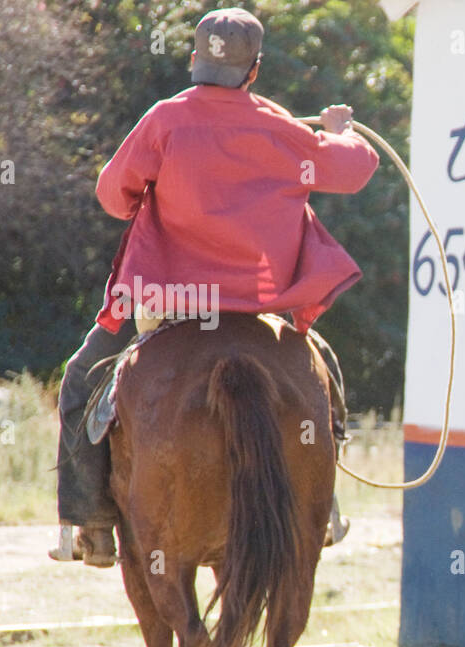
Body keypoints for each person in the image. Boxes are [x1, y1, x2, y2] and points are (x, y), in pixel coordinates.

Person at [51, 6, 377, 566]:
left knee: (81, 382)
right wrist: (338, 132)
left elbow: (112, 195)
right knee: (322, 375)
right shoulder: (279, 126)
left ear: (194, 59)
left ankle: (93, 525)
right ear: (253, 71)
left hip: (169, 306)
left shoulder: (164, 120)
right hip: (258, 308)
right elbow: (354, 170)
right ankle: (323, 508)